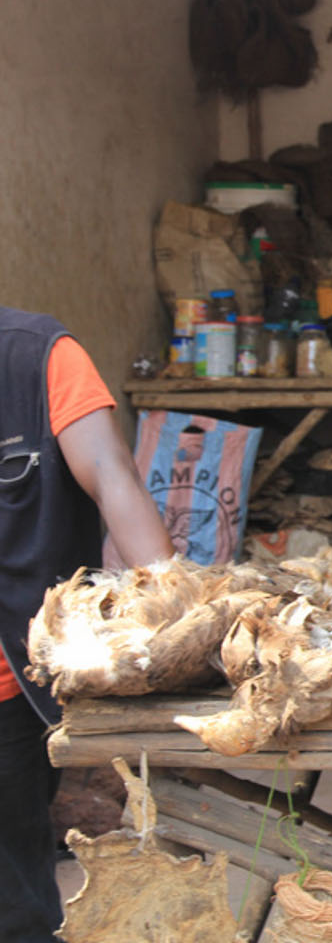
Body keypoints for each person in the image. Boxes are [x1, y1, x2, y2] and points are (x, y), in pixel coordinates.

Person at [0, 306, 175, 943]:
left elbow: (110, 477)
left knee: (13, 899)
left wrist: (176, 607)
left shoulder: (36, 355)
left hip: (9, 684)